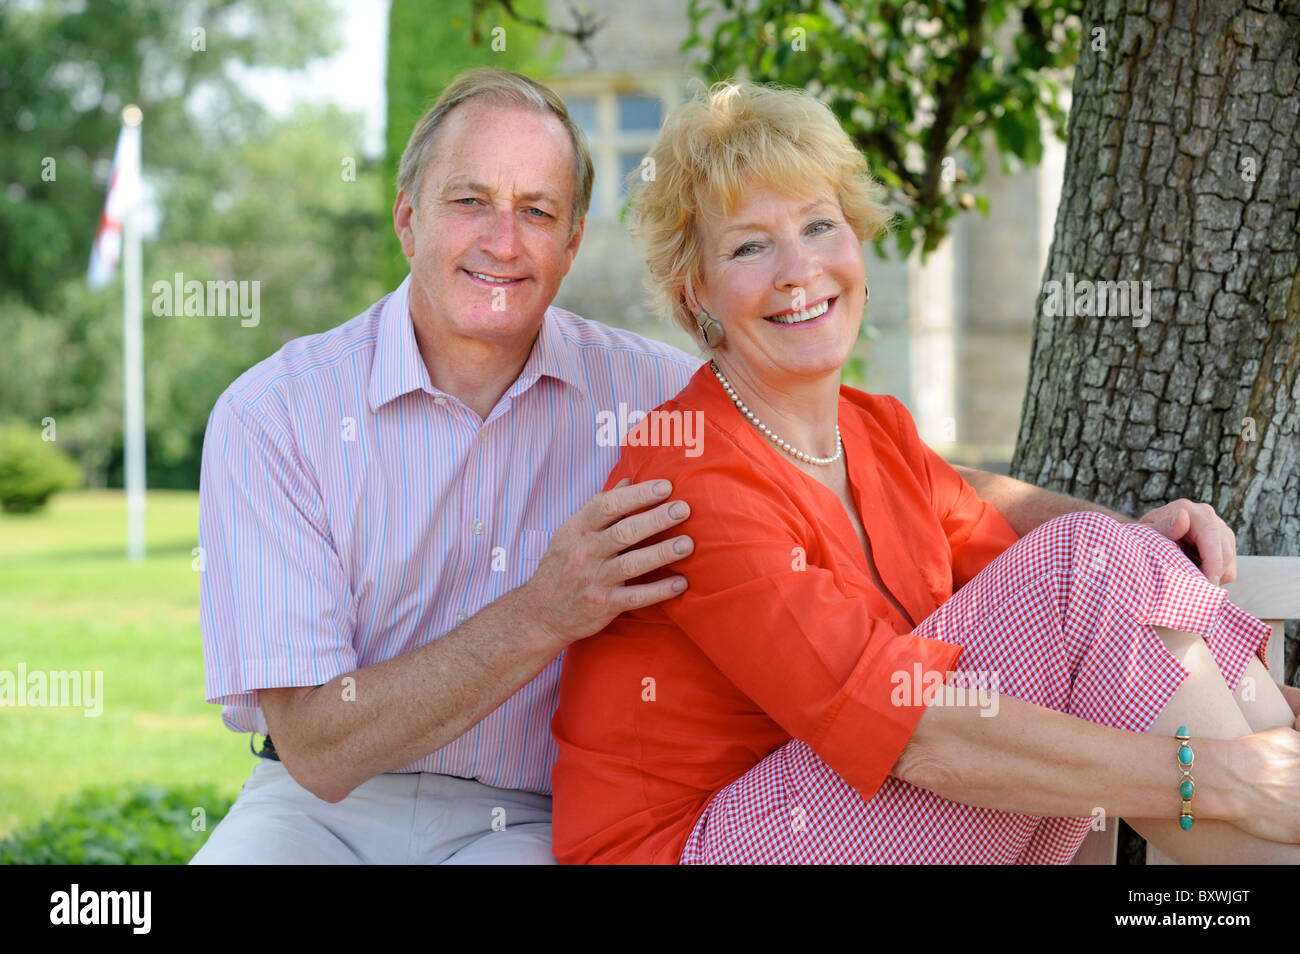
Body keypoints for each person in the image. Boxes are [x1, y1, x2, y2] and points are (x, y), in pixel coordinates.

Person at [549, 80, 1300, 864]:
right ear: (694, 295)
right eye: (748, 245)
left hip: (852, 816)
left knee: (1110, 558)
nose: (798, 270)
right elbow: (914, 737)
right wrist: (1224, 777)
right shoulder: (694, 476)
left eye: (818, 225)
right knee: (1094, 562)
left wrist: (1253, 706)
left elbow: (1083, 611)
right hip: (700, 848)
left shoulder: (877, 435)